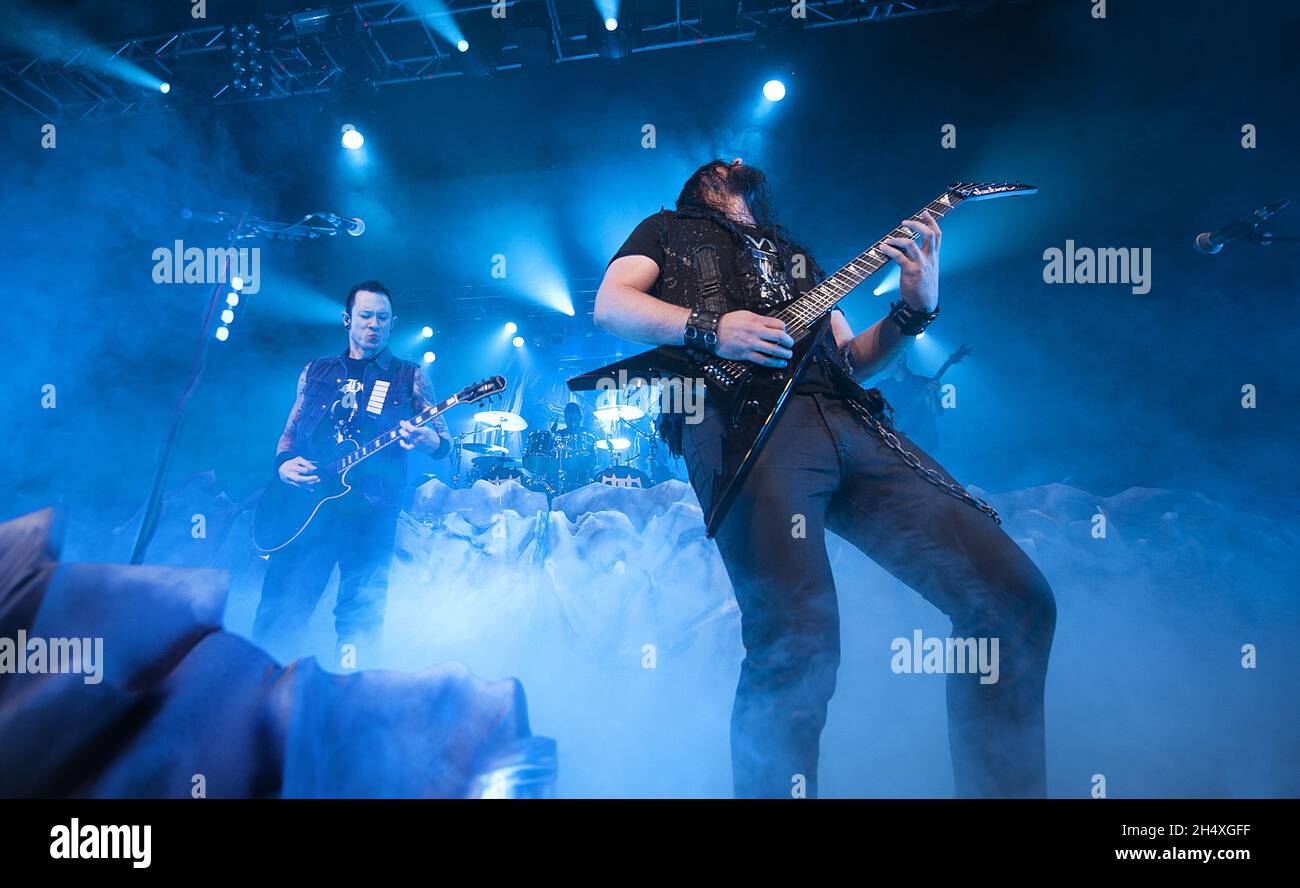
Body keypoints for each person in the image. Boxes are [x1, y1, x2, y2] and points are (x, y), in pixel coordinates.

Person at [592, 158, 1057, 798]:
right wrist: (710, 328)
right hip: (742, 425)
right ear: (702, 185)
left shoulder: (794, 255)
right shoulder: (665, 230)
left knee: (1012, 597)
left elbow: (854, 362)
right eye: (723, 162)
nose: (737, 162)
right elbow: (611, 305)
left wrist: (913, 311)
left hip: (848, 419)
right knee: (797, 646)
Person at [253, 281, 450, 667]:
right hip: (307, 508)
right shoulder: (317, 371)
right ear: (348, 320)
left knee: (360, 615)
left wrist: (427, 439)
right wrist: (283, 464)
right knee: (282, 607)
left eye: (382, 317)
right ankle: (260, 695)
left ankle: (350, 698)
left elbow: (443, 444)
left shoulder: (409, 376)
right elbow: (289, 433)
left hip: (371, 514)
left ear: (393, 324)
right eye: (365, 316)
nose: (374, 324)